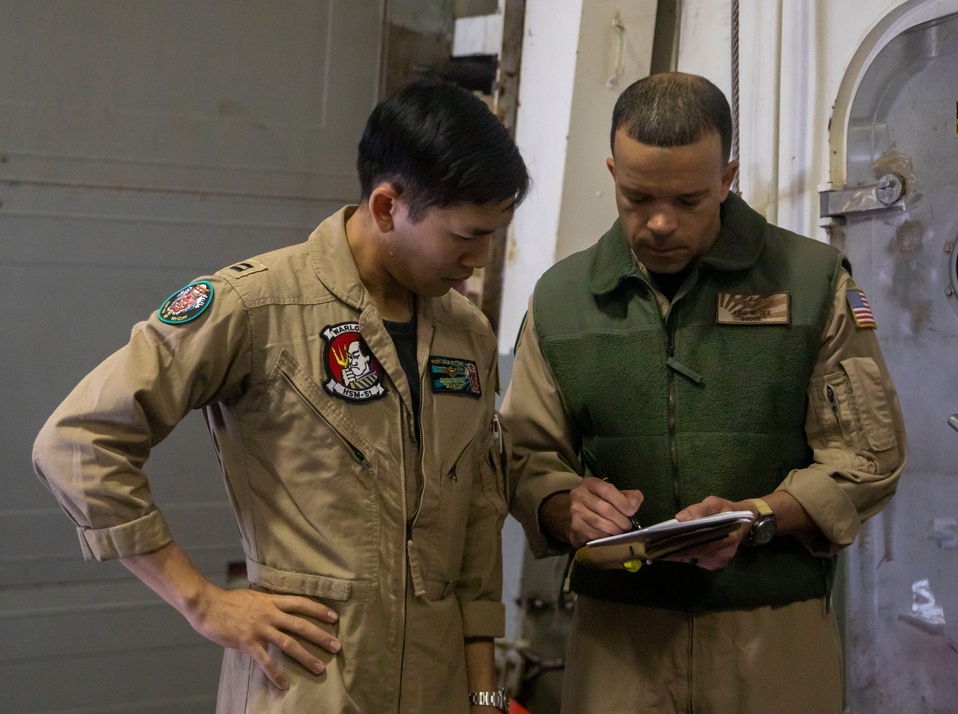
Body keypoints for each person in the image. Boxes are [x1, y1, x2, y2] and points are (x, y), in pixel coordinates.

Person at [33, 79, 528, 714]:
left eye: (496, 232)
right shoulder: (256, 306)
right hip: (307, 687)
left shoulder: (468, 336)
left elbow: (478, 533)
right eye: (466, 235)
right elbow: (77, 442)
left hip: (437, 693)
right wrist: (203, 602)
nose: (483, 259)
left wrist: (484, 697)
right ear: (386, 208)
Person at [501, 72, 906, 714]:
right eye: (637, 198)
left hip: (772, 635)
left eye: (689, 200)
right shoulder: (561, 300)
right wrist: (560, 505)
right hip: (618, 642)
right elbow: (524, 456)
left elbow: (869, 459)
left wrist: (763, 515)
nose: (660, 223)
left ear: (727, 177)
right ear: (612, 172)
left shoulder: (810, 281)